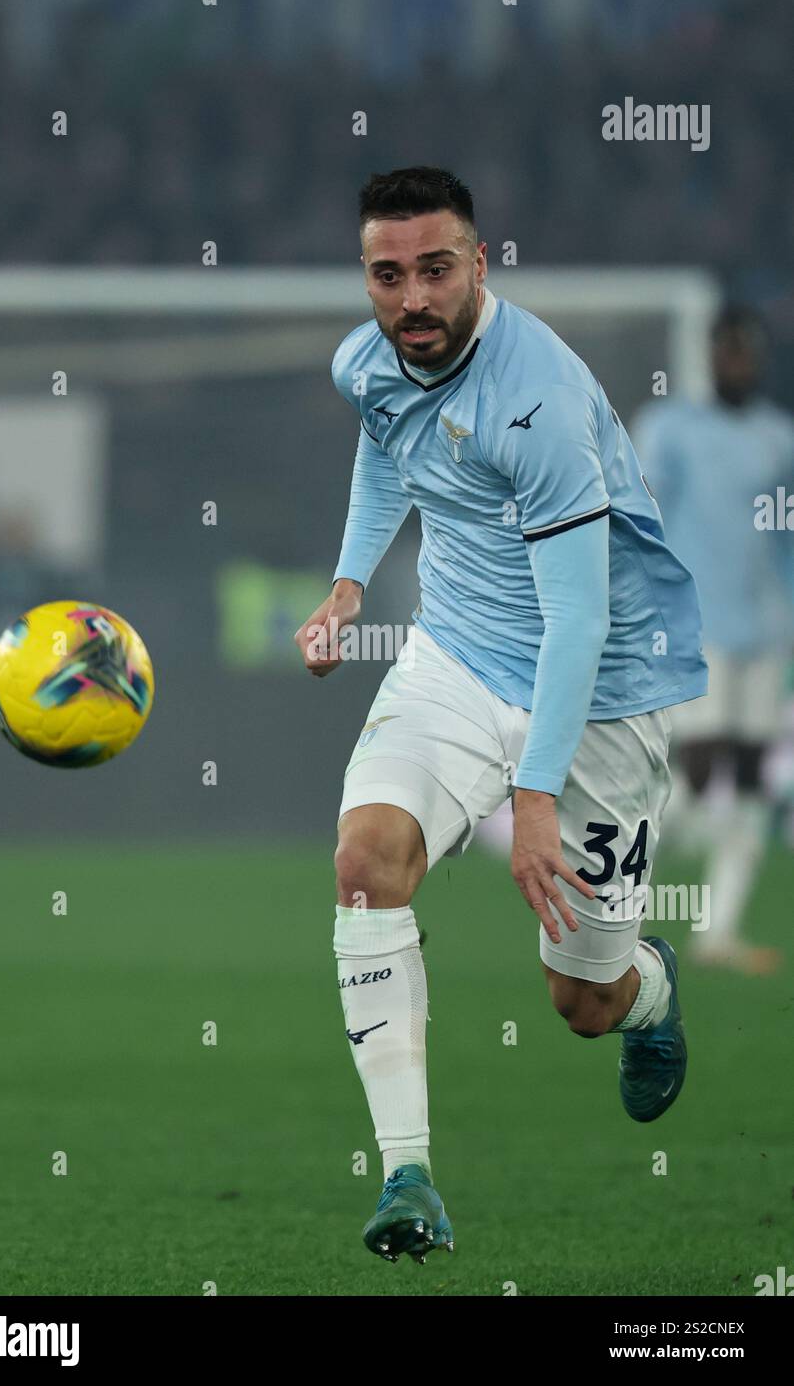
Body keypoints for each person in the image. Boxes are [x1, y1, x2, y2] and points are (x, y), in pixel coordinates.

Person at [295, 166, 707, 1264]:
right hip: (456, 658)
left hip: (600, 686)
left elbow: (575, 618)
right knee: (364, 862)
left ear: (479, 265)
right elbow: (388, 448)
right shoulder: (367, 357)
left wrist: (532, 796)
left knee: (579, 996)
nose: (410, 299)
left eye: (435, 270)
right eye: (388, 275)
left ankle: (651, 991)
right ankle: (406, 1177)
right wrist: (347, 582)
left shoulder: (539, 400)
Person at [633, 306, 794, 975]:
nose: (737, 361)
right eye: (726, 349)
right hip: (693, 626)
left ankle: (718, 928)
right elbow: (638, 517)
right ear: (708, 354)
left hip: (765, 628)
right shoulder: (668, 429)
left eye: (745, 350)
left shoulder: (778, 436)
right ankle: (626, 918)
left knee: (755, 773)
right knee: (696, 771)